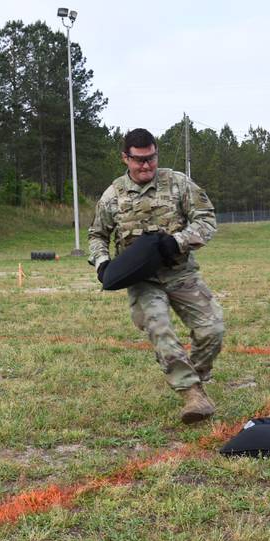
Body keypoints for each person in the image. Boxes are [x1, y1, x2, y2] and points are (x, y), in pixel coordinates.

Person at [88, 128, 224, 424]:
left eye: (150, 158)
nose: (146, 165)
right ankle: (191, 395)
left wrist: (178, 241)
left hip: (180, 272)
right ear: (125, 158)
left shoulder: (177, 183)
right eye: (139, 160)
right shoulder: (113, 196)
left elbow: (206, 219)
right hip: (142, 280)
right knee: (160, 329)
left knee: (212, 330)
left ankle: (194, 378)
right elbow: (98, 235)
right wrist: (101, 263)